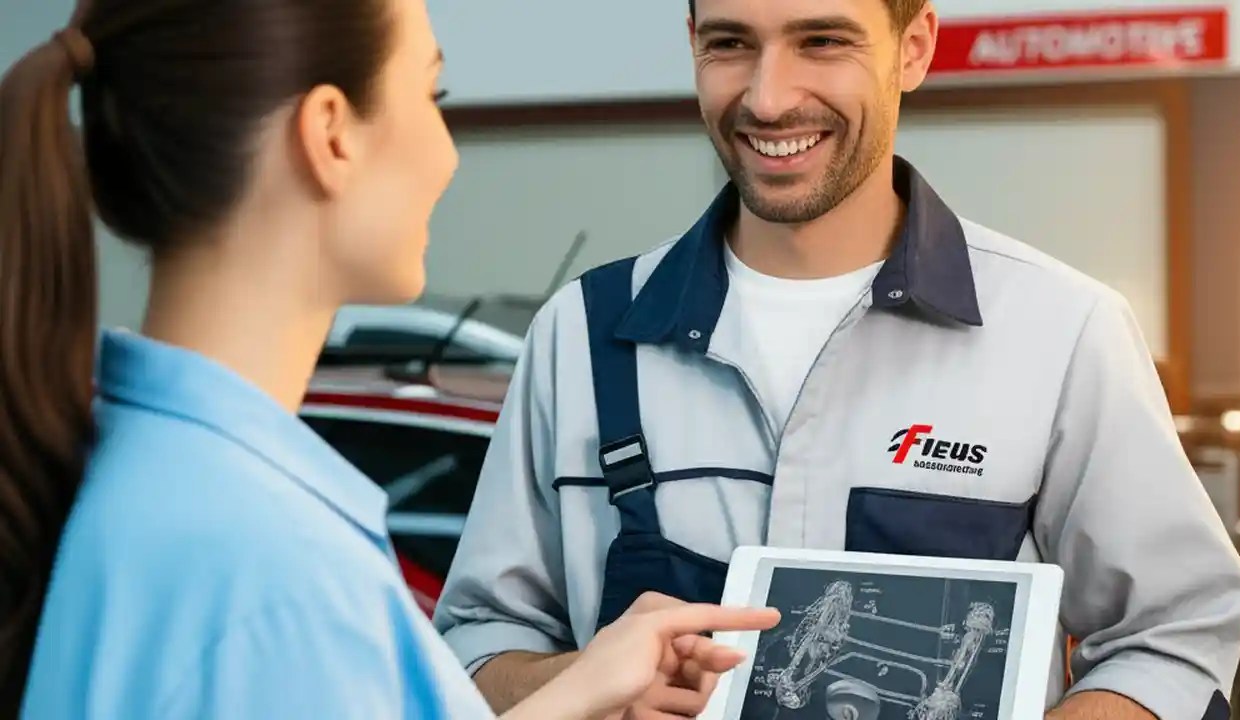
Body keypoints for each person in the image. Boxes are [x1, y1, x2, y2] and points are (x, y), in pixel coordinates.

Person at [433, 0, 1240, 718]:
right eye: (730, 45)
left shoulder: (1061, 330)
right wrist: (586, 682)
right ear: (692, 44)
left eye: (822, 41)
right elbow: (479, 636)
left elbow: (1173, 633)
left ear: (915, 47)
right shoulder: (579, 336)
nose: (769, 96)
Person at [0, 0, 782, 717]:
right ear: (331, 133)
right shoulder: (269, 578)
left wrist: (577, 689)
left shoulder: (156, 484)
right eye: (431, 98)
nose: (447, 157)